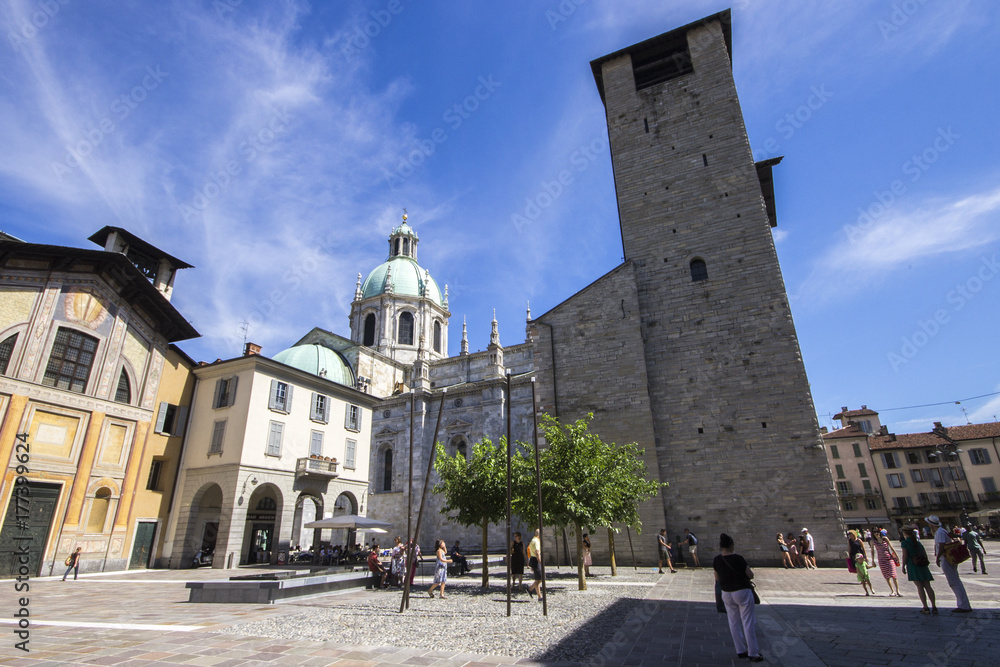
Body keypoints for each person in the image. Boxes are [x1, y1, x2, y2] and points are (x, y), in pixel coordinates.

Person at [713, 533, 763, 662]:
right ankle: (753, 652)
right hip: (742, 591)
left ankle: (740, 650)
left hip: (726, 593)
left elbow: (717, 578)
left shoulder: (717, 559)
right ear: (731, 545)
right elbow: (750, 575)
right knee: (748, 622)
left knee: (733, 621)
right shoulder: (738, 558)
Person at [928, 515, 972, 613]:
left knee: (953, 582)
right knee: (956, 580)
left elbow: (941, 546)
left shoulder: (939, 533)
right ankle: (964, 604)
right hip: (949, 557)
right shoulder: (942, 530)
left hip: (946, 558)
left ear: (931, 524)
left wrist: (937, 558)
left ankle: (963, 605)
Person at [900, 524, 937, 614]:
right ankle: (934, 606)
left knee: (920, 586)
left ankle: (925, 607)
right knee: (928, 586)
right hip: (922, 564)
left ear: (904, 533)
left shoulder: (905, 543)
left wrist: (903, 566)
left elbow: (905, 555)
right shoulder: (918, 542)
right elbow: (924, 553)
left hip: (913, 565)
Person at [873, 530, 902, 596]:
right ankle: (892, 591)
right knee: (887, 576)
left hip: (889, 558)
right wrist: (873, 561)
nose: (876, 533)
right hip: (881, 560)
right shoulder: (873, 541)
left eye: (877, 532)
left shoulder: (885, 539)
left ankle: (898, 591)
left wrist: (897, 556)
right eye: (875, 532)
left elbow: (892, 547)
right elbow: (872, 551)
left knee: (893, 574)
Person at [527, 528, 544, 601]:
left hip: (533, 559)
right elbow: (537, 553)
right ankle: (539, 596)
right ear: (539, 534)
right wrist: (540, 562)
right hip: (535, 560)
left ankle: (531, 589)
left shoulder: (533, 540)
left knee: (539, 578)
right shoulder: (536, 541)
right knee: (539, 578)